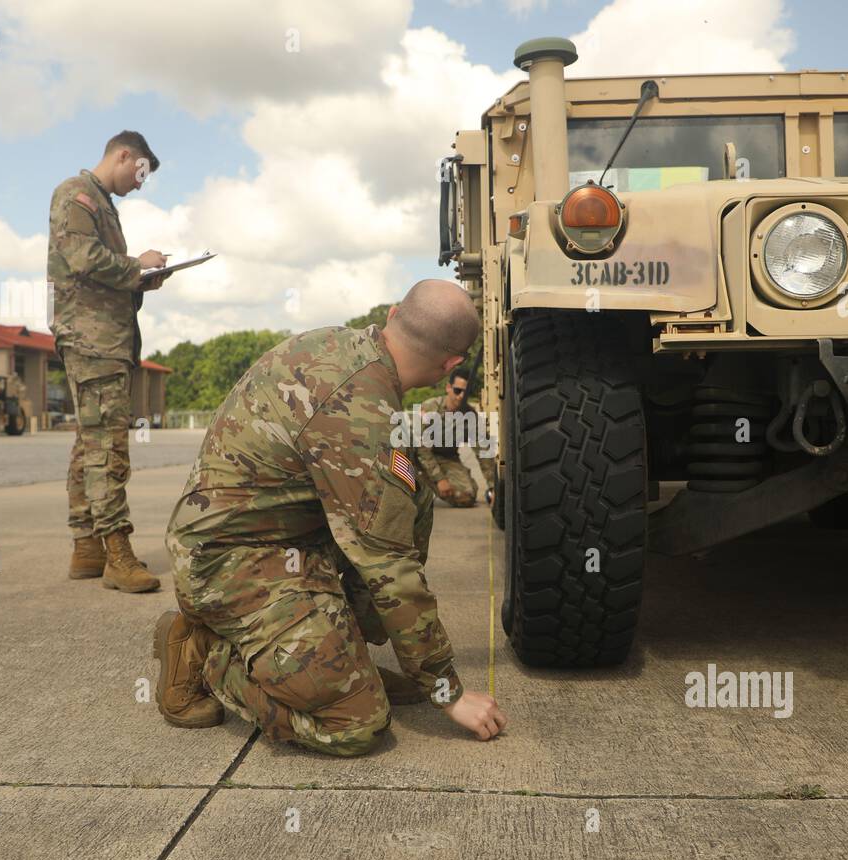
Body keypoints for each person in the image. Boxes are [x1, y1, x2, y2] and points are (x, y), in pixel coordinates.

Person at [156, 279, 509, 756]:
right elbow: (390, 568)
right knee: (357, 724)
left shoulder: (344, 349)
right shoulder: (361, 409)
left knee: (412, 499)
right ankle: (207, 655)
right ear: (451, 365)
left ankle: (342, 659)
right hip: (227, 561)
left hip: (278, 538)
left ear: (389, 315)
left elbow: (393, 511)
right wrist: (447, 691)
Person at [49, 130, 167, 593]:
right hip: (93, 341)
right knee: (107, 448)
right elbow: (84, 258)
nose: (139, 184)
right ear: (123, 155)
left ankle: (87, 548)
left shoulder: (99, 203)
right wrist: (138, 266)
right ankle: (118, 553)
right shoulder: (76, 196)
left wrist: (143, 279)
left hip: (105, 339)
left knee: (89, 444)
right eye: (139, 173)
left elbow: (101, 270)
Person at [414, 367, 498, 508]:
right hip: (418, 459)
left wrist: (493, 487)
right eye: (458, 391)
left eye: (466, 393)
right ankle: (418, 482)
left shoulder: (470, 416)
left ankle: (426, 483)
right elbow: (420, 448)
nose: (461, 396)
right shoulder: (430, 408)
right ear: (448, 387)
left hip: (446, 458)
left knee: (467, 496)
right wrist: (439, 479)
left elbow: (483, 452)